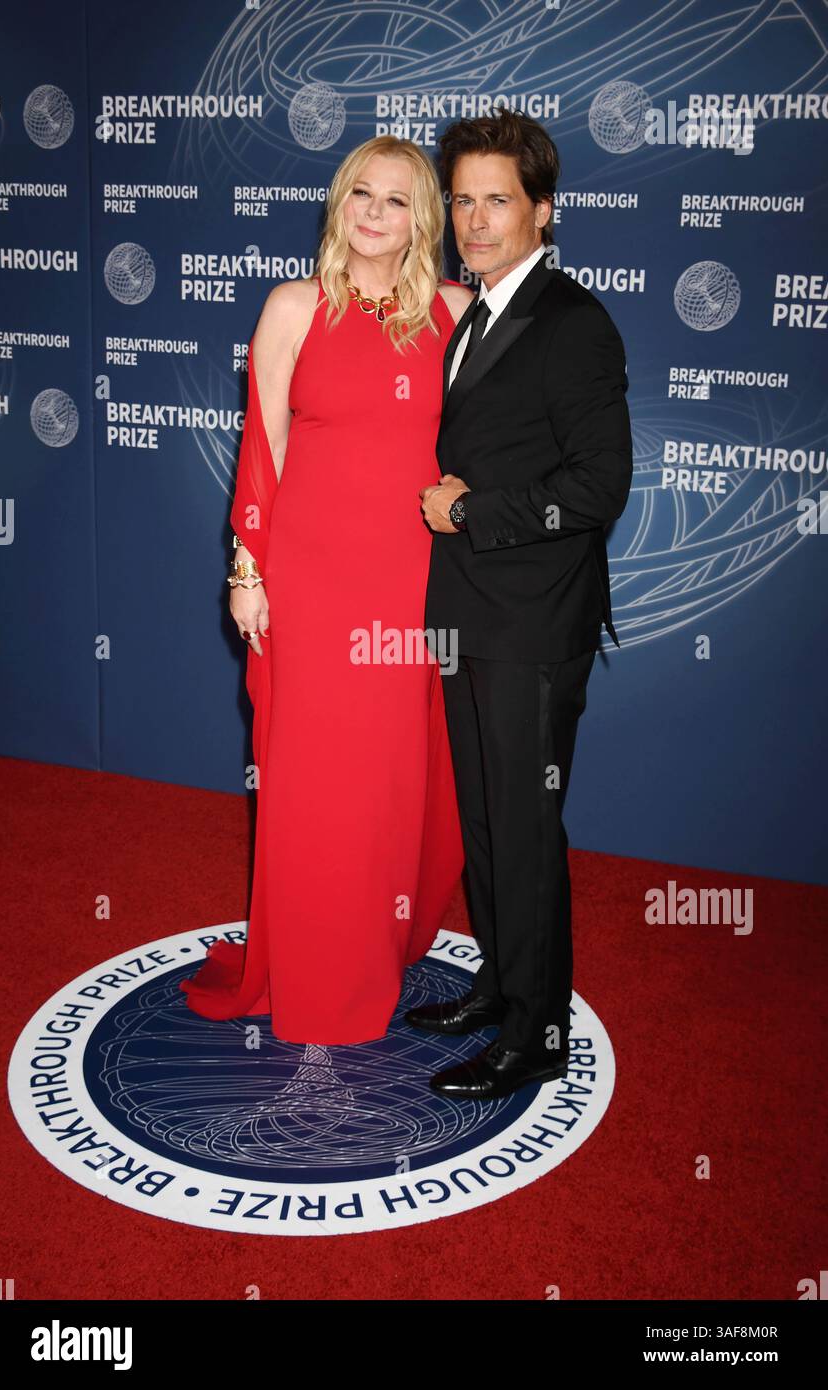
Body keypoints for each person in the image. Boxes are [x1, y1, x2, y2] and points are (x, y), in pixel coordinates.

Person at [181, 136, 471, 1044]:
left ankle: (374, 951)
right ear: (339, 204)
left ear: (422, 217)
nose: (374, 213)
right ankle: (310, 971)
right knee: (308, 777)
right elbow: (261, 447)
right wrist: (246, 570)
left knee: (386, 779)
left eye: (395, 200)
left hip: (411, 580)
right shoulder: (293, 307)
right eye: (360, 195)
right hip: (309, 578)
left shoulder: (457, 312)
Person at [409, 108, 633, 1099]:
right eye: (461, 200)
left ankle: (538, 1033)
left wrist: (473, 512)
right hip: (470, 614)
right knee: (488, 820)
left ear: (542, 210)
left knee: (527, 827)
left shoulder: (574, 322)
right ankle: (502, 986)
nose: (474, 219)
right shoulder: (474, 311)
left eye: (497, 199)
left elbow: (599, 484)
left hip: (536, 622)